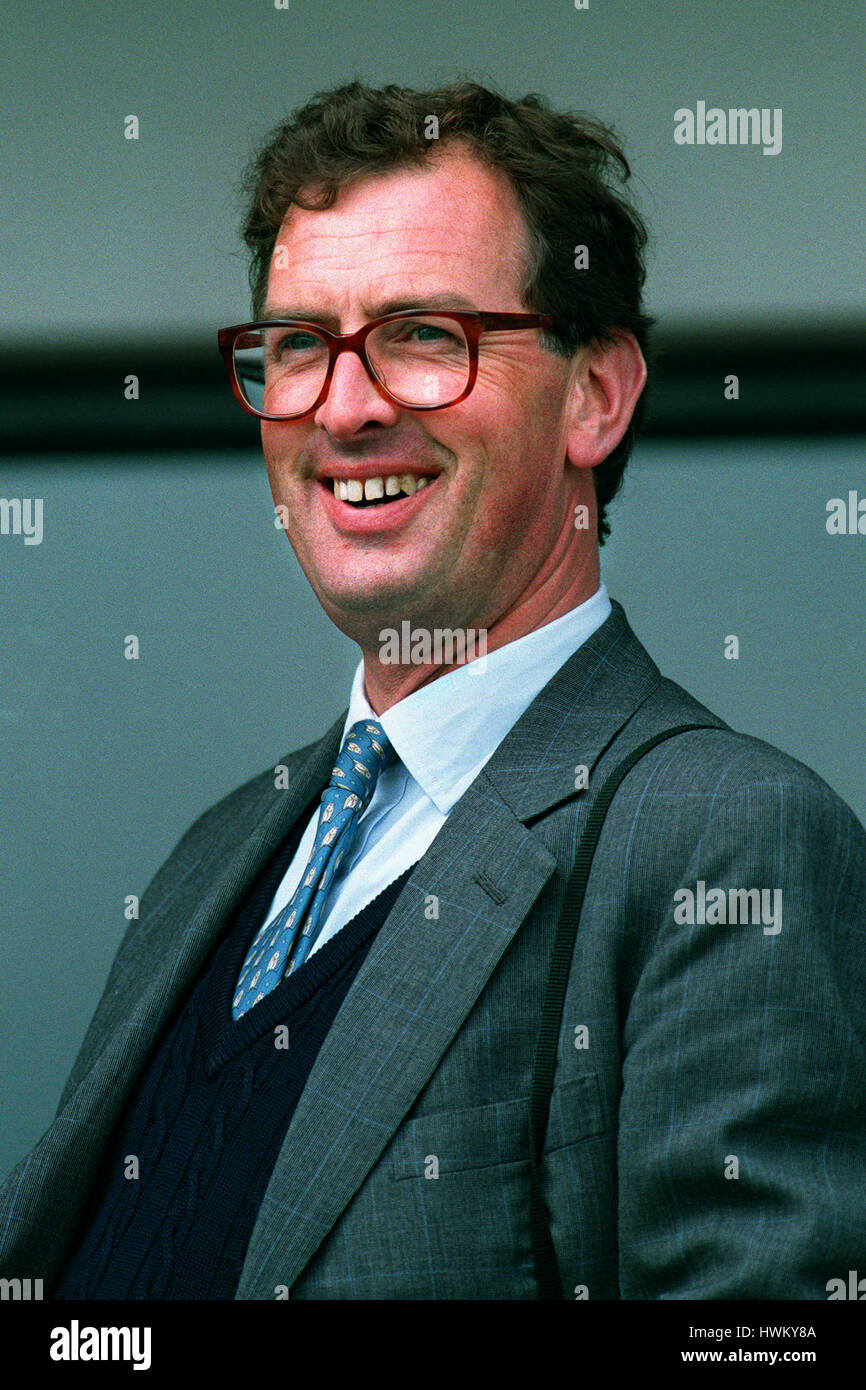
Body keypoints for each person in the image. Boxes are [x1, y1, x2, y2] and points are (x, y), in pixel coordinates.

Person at [1, 79, 864, 1302]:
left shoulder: (722, 839)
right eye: (298, 345)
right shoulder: (217, 857)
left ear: (593, 395)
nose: (344, 409)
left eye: (422, 335)